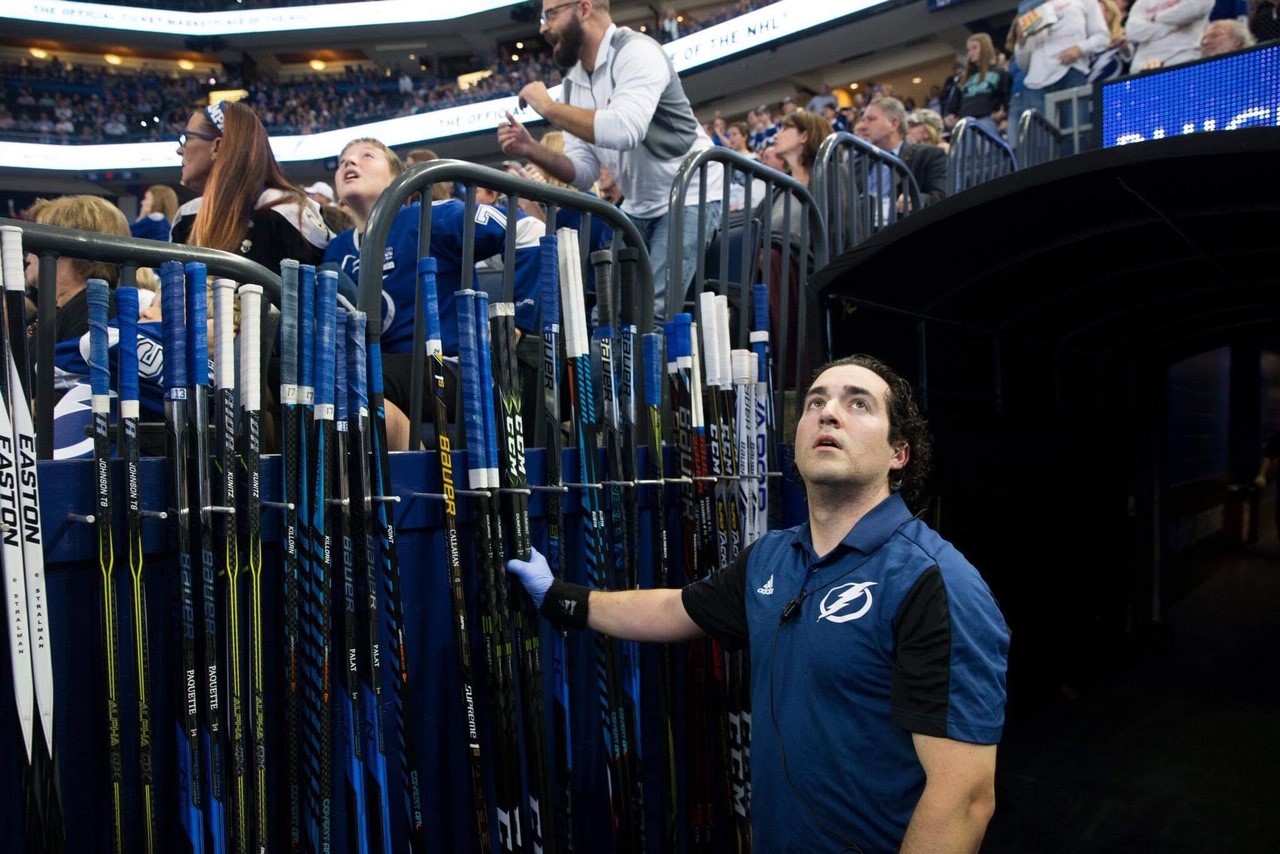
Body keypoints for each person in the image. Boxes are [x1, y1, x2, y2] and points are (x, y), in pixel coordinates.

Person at [507, 353, 1010, 853]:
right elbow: (675, 610)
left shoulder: (933, 582)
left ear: (899, 452)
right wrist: (561, 599)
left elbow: (963, 799)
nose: (829, 413)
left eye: (858, 404)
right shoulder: (773, 558)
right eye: (816, 402)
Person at [498, 0, 724, 324]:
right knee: (606, 314)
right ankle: (613, 376)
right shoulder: (573, 83)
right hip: (640, 204)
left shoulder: (637, 51)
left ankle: (650, 376)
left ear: (585, 8)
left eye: (550, 15)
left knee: (652, 312)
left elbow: (624, 129)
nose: (543, 27)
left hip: (690, 193)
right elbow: (583, 170)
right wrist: (530, 148)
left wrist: (547, 107)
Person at [323, 137, 527, 449]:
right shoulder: (335, 251)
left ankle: (417, 475)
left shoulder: (428, 216)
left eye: (366, 156)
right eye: (342, 161)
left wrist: (524, 319)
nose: (350, 163)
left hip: (450, 367)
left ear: (398, 180)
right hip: (381, 369)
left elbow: (524, 229)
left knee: (355, 373)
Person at [171, 100, 330, 274]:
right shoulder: (186, 216)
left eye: (186, 138)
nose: (179, 150)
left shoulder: (290, 213)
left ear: (217, 146)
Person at [23, 195, 130, 348]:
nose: (27, 255)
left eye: (36, 242)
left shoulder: (95, 307)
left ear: (65, 248)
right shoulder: (51, 312)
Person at [1011, 0, 1110, 120]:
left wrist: (1079, 49)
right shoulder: (1031, 6)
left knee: (1076, 134)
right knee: (1039, 137)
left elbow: (1102, 37)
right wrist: (1021, 44)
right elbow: (1024, 64)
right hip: (1036, 83)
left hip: (1071, 72)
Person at [853, 97, 948, 219]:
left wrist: (915, 199)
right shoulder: (857, 165)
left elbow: (941, 197)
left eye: (871, 119)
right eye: (863, 120)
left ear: (894, 124)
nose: (862, 126)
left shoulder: (928, 156)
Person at [944, 33, 1012, 137]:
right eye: (969, 49)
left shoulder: (999, 73)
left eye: (974, 48)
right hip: (966, 123)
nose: (971, 52)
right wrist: (950, 116)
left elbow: (1006, 97)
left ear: (985, 48)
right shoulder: (963, 79)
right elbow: (953, 104)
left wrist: (1004, 117)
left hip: (987, 120)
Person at [1125, 0, 1215, 69]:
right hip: (1143, 65)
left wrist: (1155, 18)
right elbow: (1132, 31)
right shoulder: (1142, 3)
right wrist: (1176, 25)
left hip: (1184, 59)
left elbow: (1194, 10)